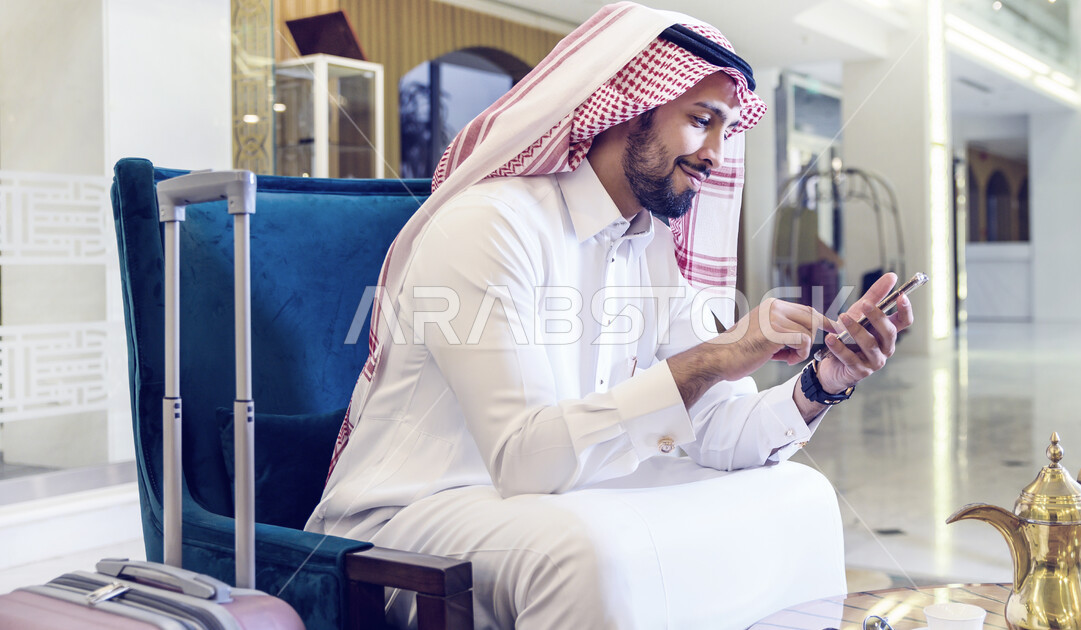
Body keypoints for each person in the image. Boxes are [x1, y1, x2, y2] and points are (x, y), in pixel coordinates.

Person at [306, 3, 914, 628]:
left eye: (723, 131)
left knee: (800, 495)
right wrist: (715, 356)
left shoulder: (651, 246)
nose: (714, 155)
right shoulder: (492, 225)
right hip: (415, 515)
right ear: (627, 108)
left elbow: (719, 433)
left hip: (559, 495)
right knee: (587, 551)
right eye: (700, 121)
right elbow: (523, 460)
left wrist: (824, 383)